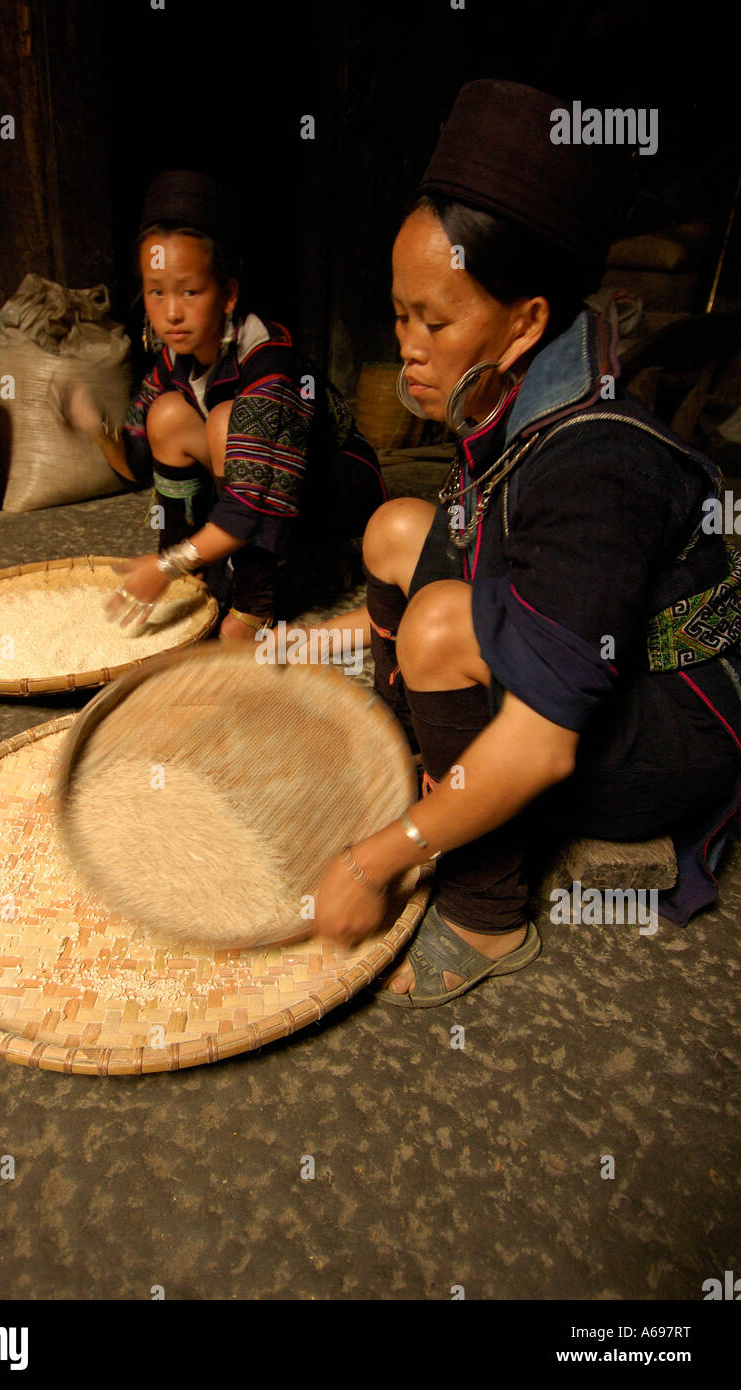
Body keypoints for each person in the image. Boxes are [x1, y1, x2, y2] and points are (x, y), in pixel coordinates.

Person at [310, 80, 741, 1005]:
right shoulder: (509, 395)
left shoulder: (600, 467)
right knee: (396, 529)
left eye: (436, 322)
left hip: (668, 726)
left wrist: (383, 856)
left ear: (528, 320)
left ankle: (485, 912)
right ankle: (419, 766)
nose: (410, 348)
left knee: (435, 628)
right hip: (585, 665)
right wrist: (314, 642)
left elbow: (544, 744)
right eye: (400, 315)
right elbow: (466, 543)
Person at [63, 170, 384, 639]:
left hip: (332, 495)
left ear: (228, 293)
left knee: (222, 419)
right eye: (157, 291)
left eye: (190, 291)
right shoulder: (172, 359)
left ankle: (255, 606)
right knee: (167, 415)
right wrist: (95, 426)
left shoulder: (268, 359)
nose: (172, 311)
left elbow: (256, 502)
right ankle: (192, 581)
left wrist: (163, 566)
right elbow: (136, 459)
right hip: (252, 491)